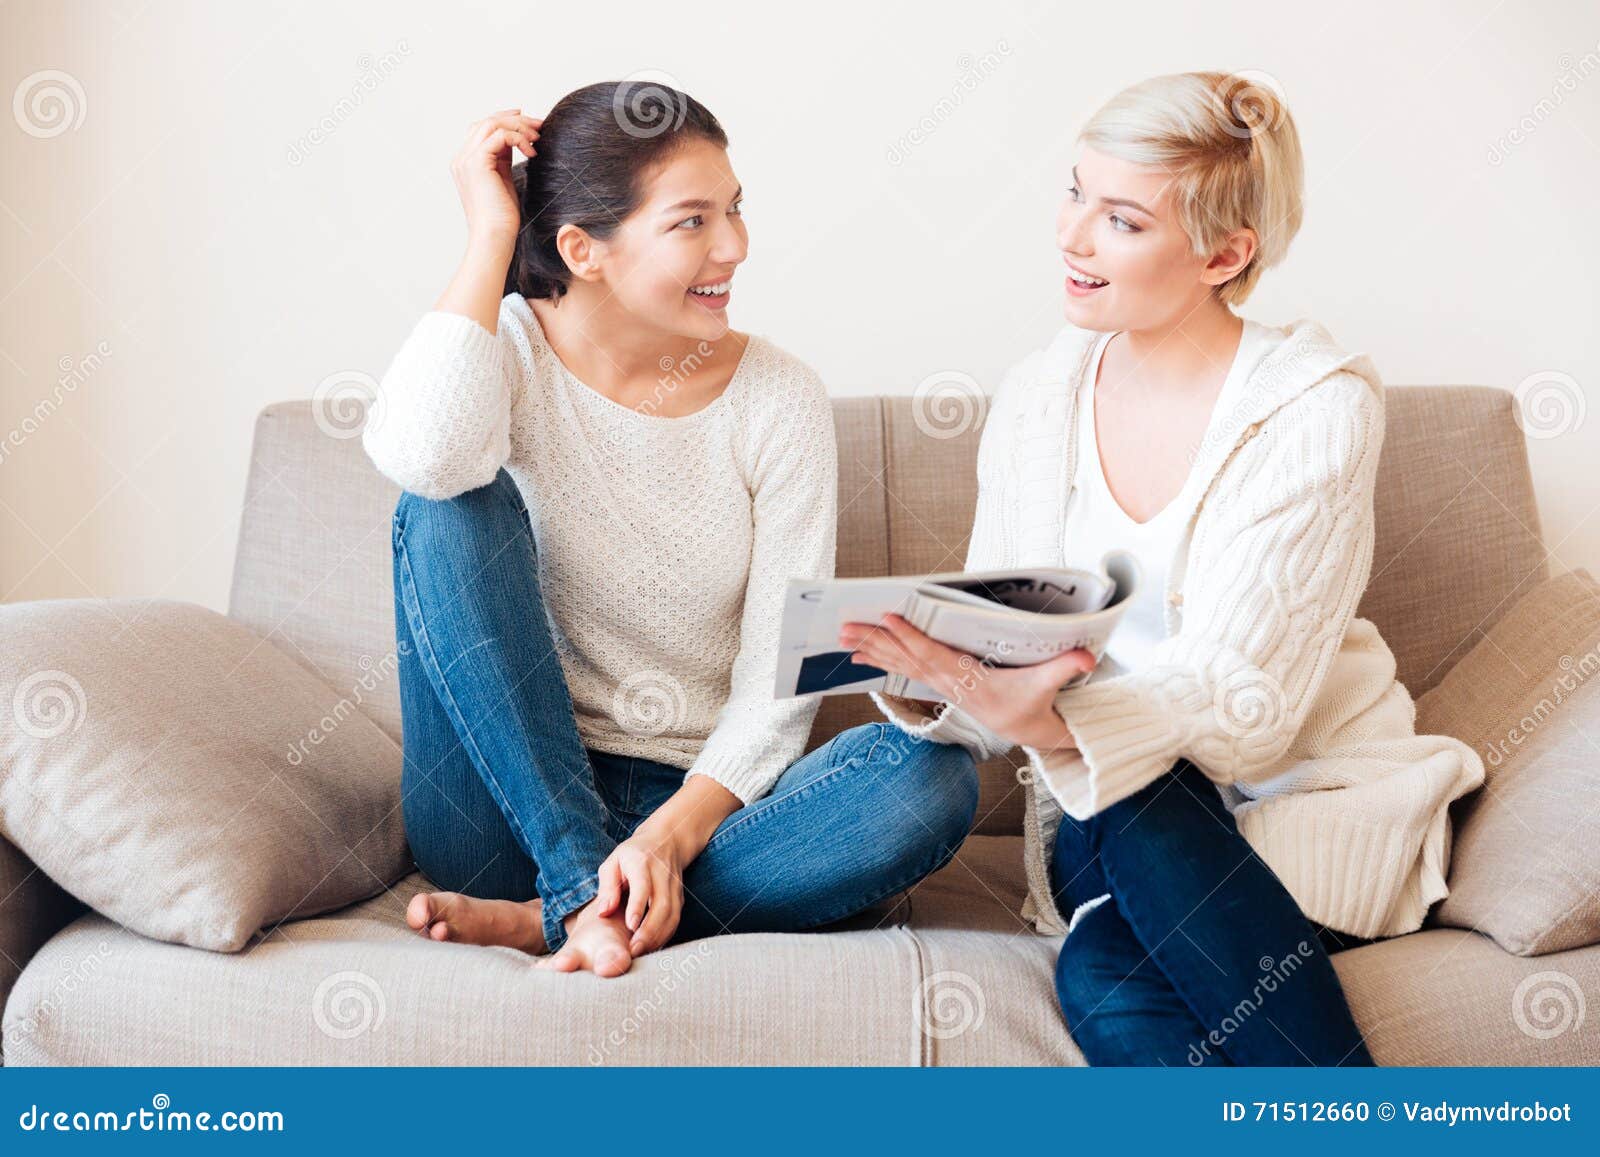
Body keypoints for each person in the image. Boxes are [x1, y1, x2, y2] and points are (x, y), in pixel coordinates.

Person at [839, 71, 1484, 1064]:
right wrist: (939, 672)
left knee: (1109, 970)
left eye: (1121, 219)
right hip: (1104, 810)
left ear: (1224, 253)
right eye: (1072, 192)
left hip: (1300, 798)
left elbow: (1243, 700)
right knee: (1128, 791)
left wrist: (1056, 718)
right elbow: (1005, 623)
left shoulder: (1314, 407)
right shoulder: (1037, 395)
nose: (1071, 236)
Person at [364, 81, 978, 978]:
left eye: (734, 210)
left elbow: (784, 673)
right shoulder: (504, 355)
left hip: (704, 814)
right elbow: (424, 462)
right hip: (507, 808)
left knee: (930, 777)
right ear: (584, 249)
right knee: (449, 499)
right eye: (692, 221)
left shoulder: (780, 397)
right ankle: (578, 887)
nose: (734, 246)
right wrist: (491, 234)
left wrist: (665, 838)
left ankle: (557, 918)